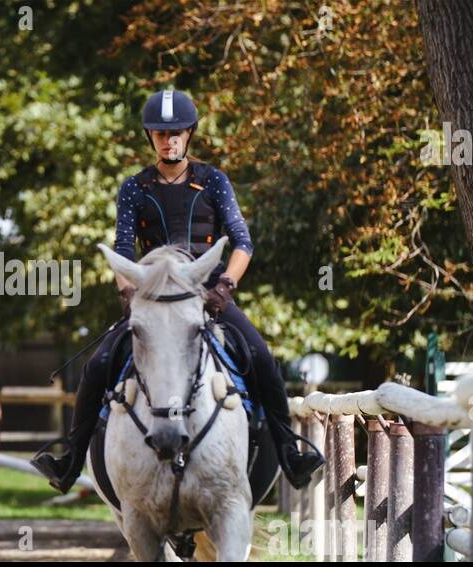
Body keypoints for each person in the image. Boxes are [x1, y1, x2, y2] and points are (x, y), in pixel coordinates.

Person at [31, 88, 324, 494]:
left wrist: (226, 285)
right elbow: (123, 249)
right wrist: (130, 294)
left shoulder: (213, 180)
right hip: (152, 298)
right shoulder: (134, 188)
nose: (169, 140)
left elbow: (242, 242)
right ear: (149, 137)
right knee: (97, 365)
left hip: (209, 295)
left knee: (261, 358)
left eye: (177, 133)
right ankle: (70, 461)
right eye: (160, 133)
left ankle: (290, 454)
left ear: (190, 135)